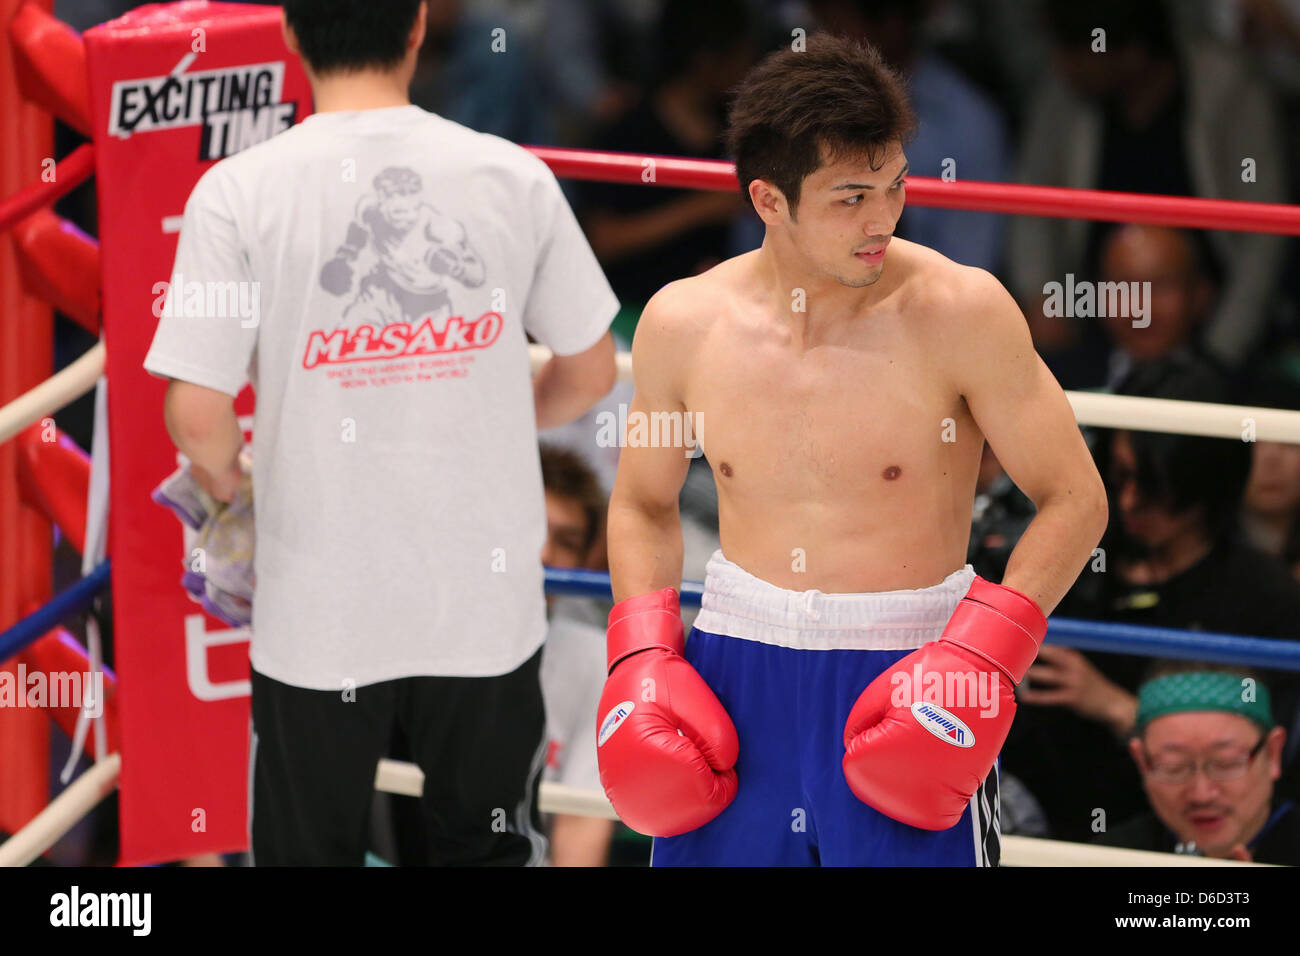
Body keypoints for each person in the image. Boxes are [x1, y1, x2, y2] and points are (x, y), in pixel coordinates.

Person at [597, 34, 1109, 867]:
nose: (884, 218)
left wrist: (981, 654)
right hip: (736, 669)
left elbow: (1076, 498)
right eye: (850, 197)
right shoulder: (682, 324)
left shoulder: (961, 312)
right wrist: (645, 653)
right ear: (769, 201)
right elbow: (643, 502)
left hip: (909, 668)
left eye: (897, 185)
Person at [143, 0, 618, 865]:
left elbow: (197, 411)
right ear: (418, 26)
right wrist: (491, 414)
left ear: (290, 33)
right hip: (483, 604)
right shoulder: (509, 176)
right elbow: (589, 371)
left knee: (307, 854)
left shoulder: (237, 193)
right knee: (482, 850)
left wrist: (224, 483)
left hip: (320, 608)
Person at [1002, 354, 1300, 841]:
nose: (1132, 501)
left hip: (1177, 840)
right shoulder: (1073, 556)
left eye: (1157, 486)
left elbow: (1269, 762)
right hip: (1035, 825)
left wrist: (1115, 706)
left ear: (1207, 481)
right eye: (1121, 476)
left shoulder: (1263, 595)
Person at [1095, 662, 1300, 864]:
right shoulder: (1108, 857)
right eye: (1173, 767)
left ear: (1273, 753)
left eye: (1225, 763)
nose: (1201, 794)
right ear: (1142, 762)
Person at [538, 444, 616, 866]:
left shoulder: (592, 658)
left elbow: (581, 820)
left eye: (565, 542)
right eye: (532, 528)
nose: (546, 556)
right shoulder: (427, 644)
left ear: (584, 562)